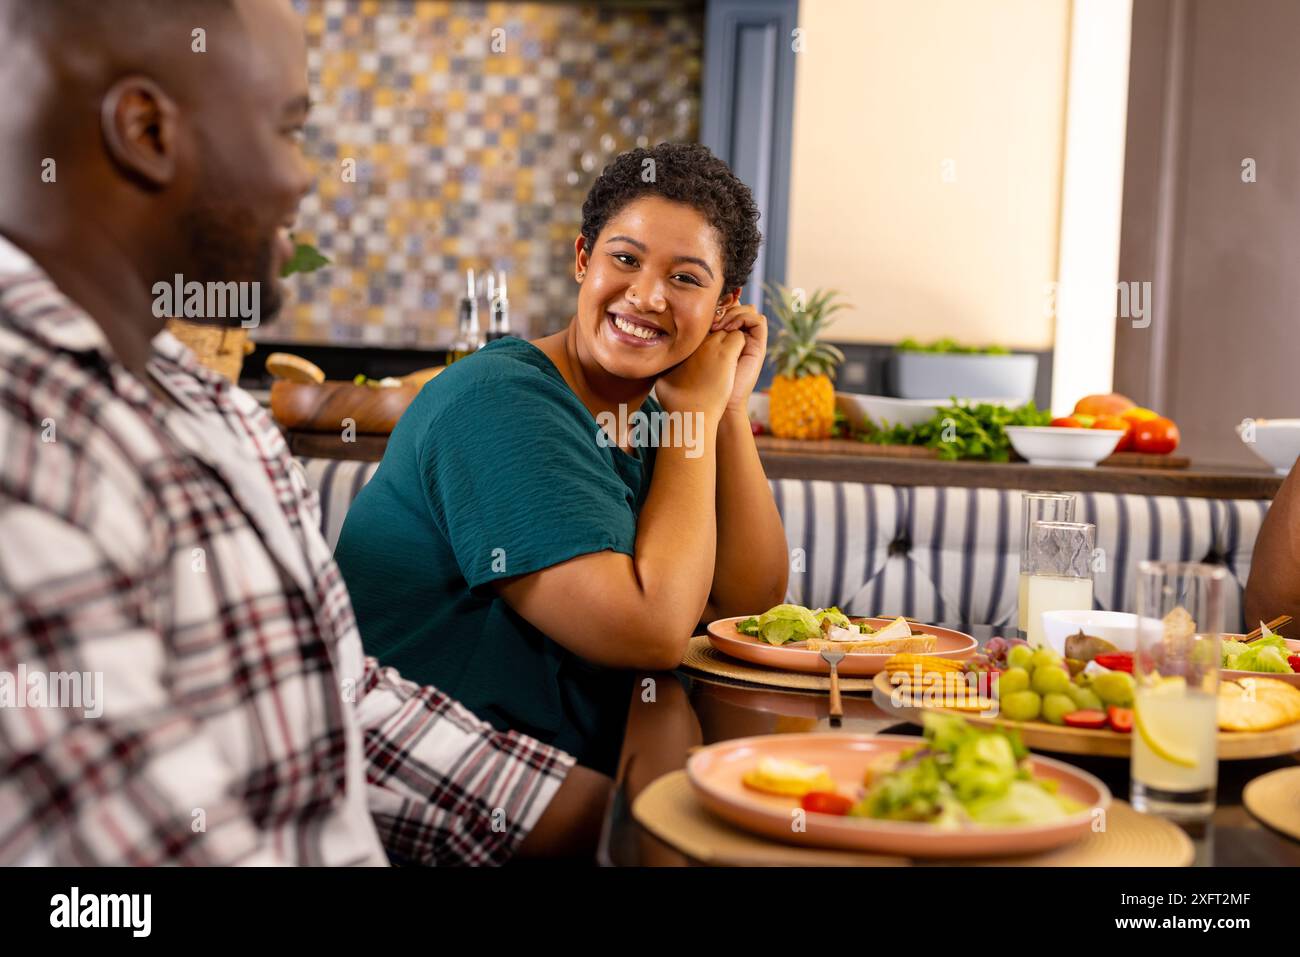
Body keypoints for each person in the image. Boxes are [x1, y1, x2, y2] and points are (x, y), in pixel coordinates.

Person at [0, 0, 609, 866]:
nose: (308, 178)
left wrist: (628, 829)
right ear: (146, 130)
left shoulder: (209, 408)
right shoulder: (25, 443)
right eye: (289, 128)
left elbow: (335, 704)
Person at [334, 143, 791, 775]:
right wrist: (694, 418)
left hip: (571, 753)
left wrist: (728, 408)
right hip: (432, 768)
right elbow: (651, 632)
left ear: (722, 308)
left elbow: (752, 607)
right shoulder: (498, 401)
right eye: (625, 259)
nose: (648, 296)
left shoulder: (657, 419)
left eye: (685, 278)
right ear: (583, 259)